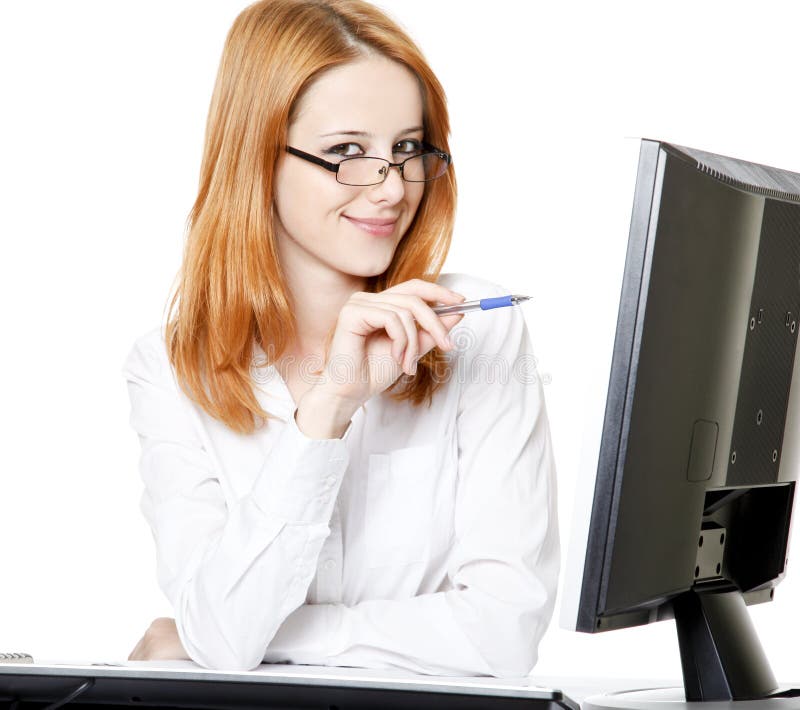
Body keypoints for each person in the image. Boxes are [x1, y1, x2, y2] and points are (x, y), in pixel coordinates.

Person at [121, 0, 558, 676]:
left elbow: (504, 633)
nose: (392, 189)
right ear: (257, 158)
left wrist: (260, 639)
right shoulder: (170, 370)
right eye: (347, 152)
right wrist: (328, 408)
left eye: (406, 149)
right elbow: (224, 636)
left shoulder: (475, 328)